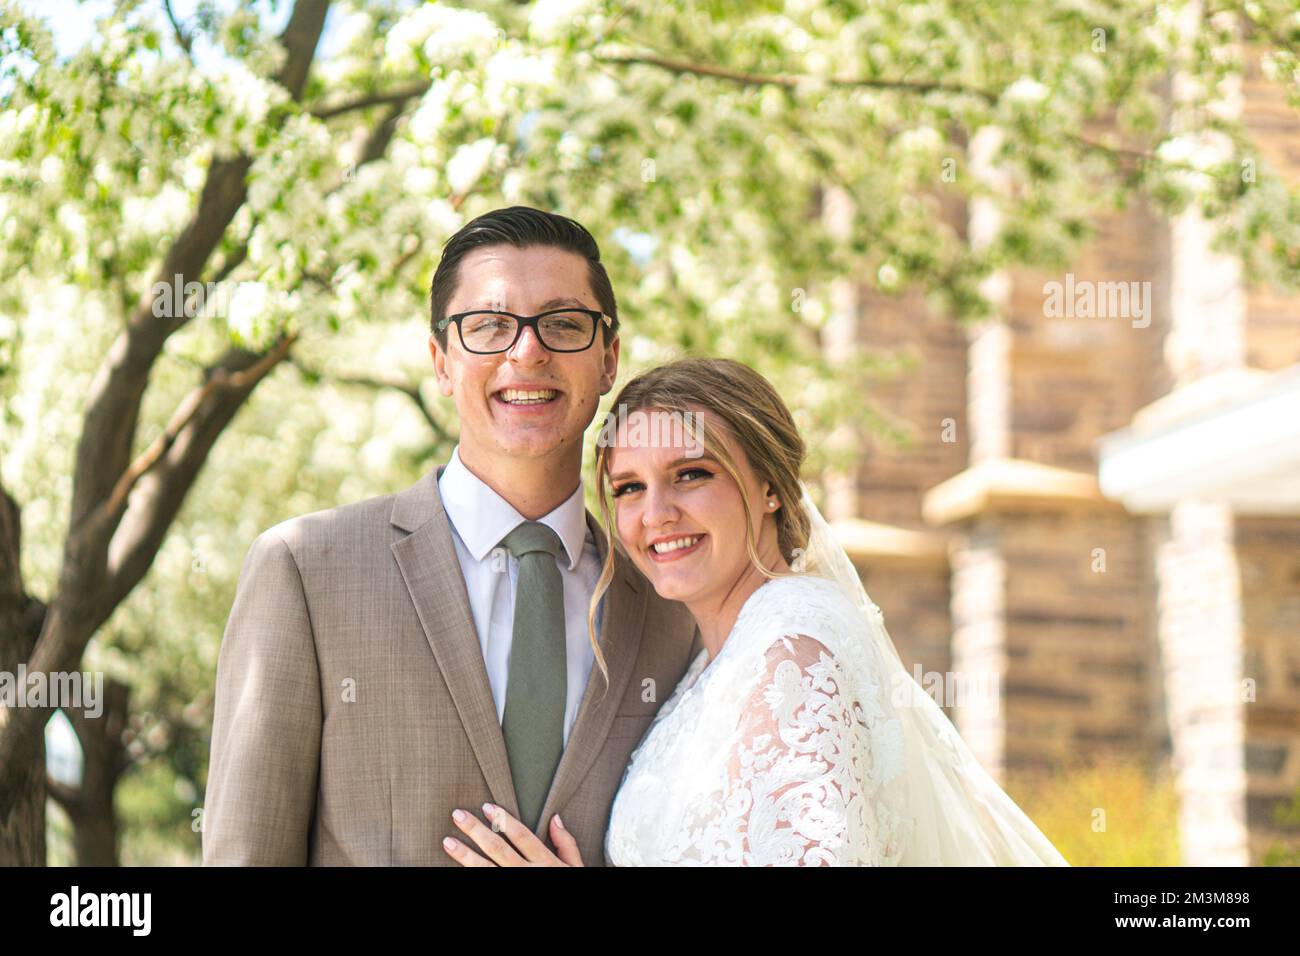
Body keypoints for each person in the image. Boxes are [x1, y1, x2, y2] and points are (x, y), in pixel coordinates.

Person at [202, 207, 699, 865]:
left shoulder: (672, 607)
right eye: (490, 326)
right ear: (441, 362)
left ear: (608, 361)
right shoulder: (305, 571)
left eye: (564, 324)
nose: (528, 351)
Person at [442, 357, 1071, 866]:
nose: (654, 514)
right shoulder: (716, 661)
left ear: (770, 486)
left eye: (690, 474)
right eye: (629, 487)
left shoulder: (794, 650)